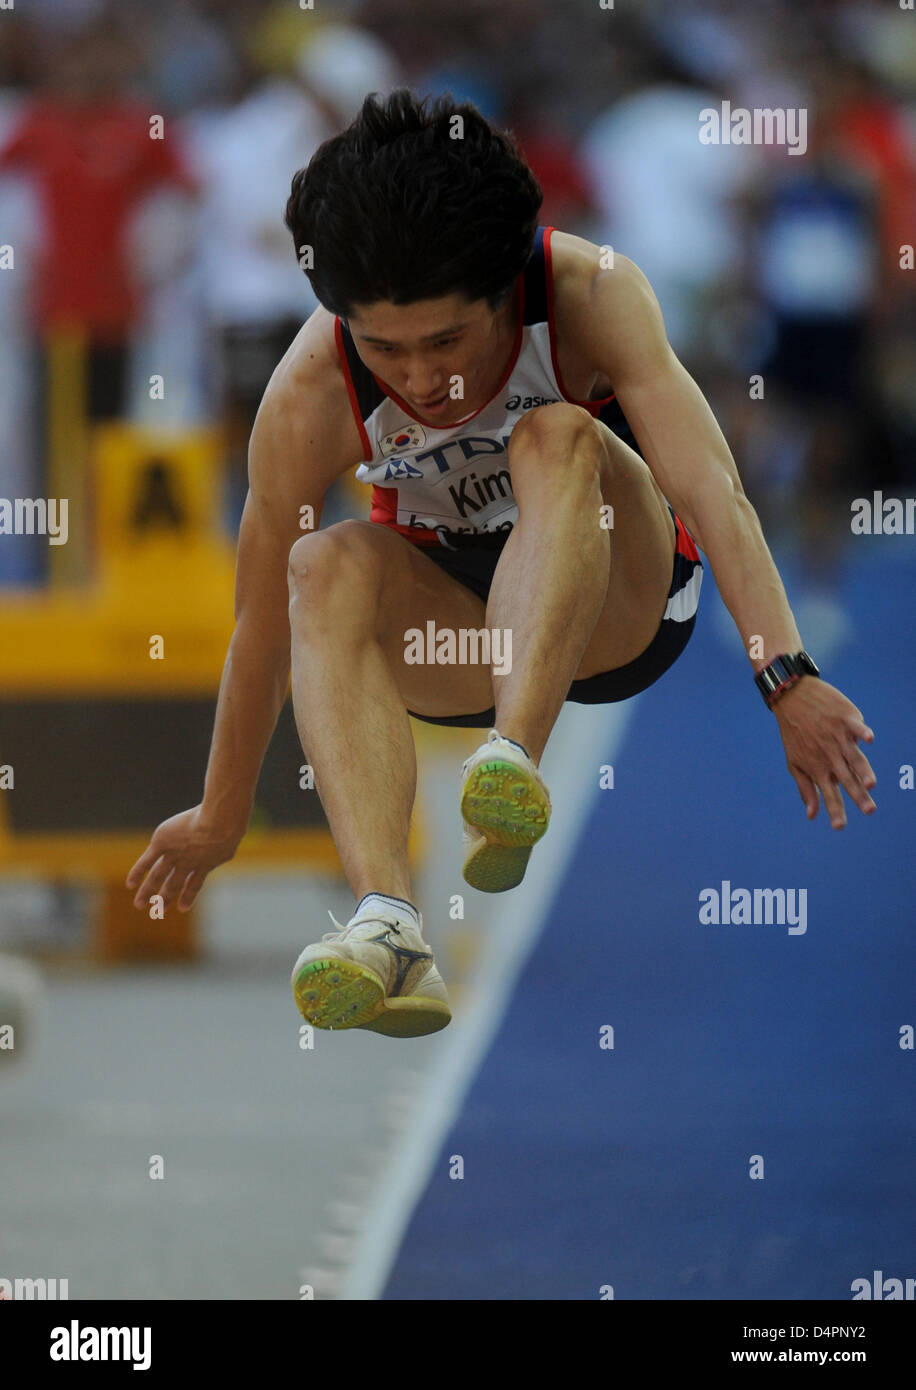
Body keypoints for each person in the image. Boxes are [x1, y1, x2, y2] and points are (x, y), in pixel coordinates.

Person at [126, 92, 876, 1040]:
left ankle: (511, 765)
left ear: (505, 287)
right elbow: (262, 626)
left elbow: (713, 489)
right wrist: (220, 814)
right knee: (318, 564)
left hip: (621, 606)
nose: (420, 379)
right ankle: (390, 925)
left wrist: (786, 674)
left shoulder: (589, 292)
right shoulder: (311, 389)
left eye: (446, 341)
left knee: (557, 435)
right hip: (451, 638)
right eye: (384, 348)